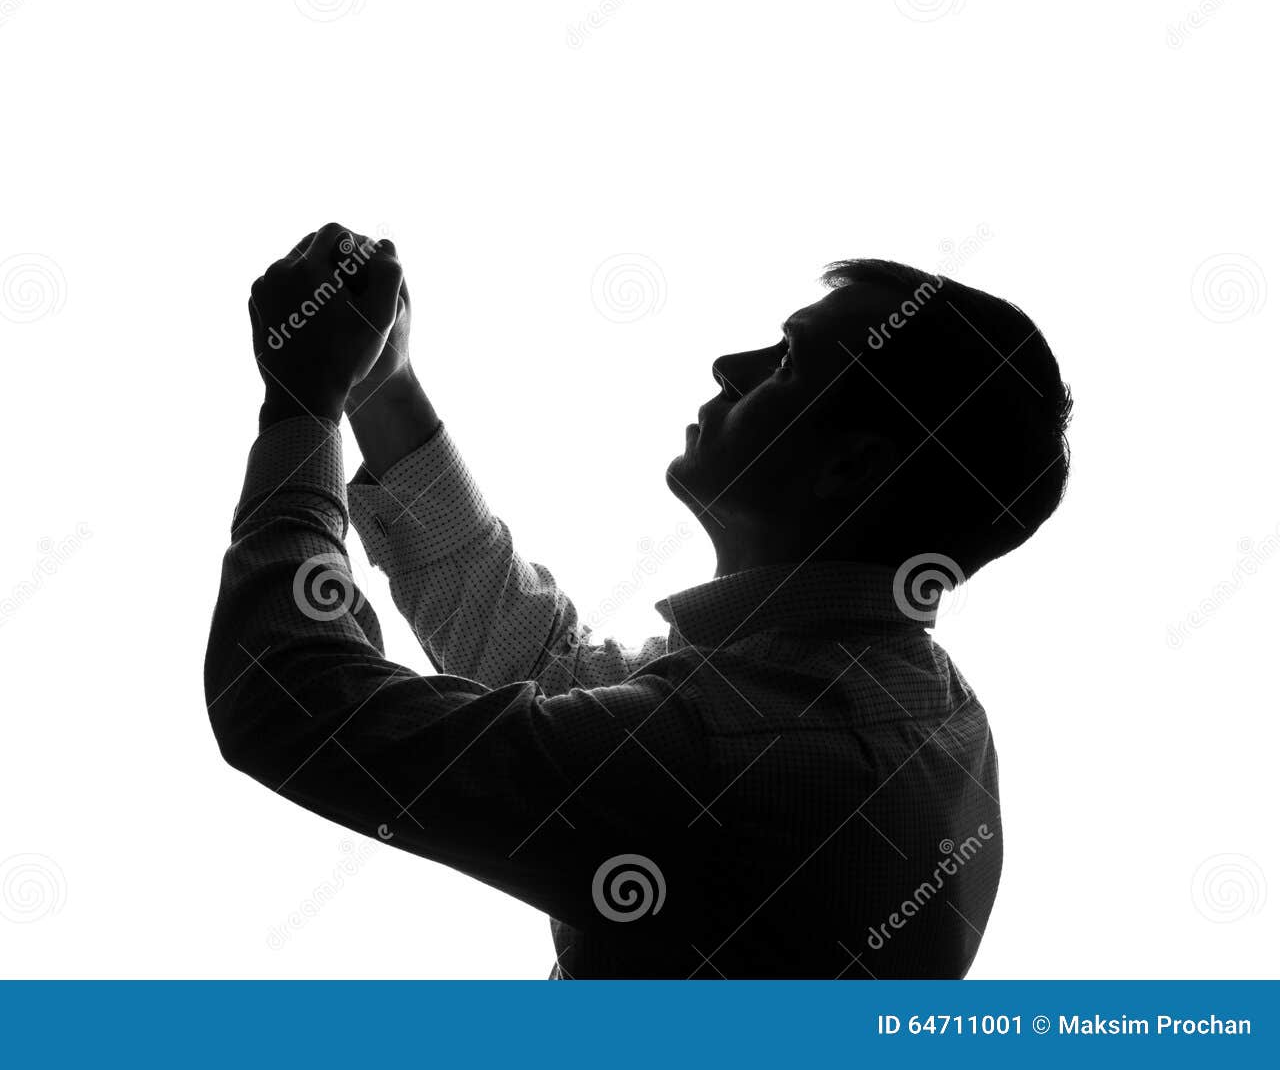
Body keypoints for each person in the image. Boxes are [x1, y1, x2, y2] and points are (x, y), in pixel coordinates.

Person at [206, 223, 1072, 978]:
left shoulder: (733, 752)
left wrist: (300, 406)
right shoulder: (916, 707)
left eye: (785, 364)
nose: (729, 365)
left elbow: (291, 697)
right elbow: (559, 677)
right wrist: (381, 386)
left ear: (854, 467)